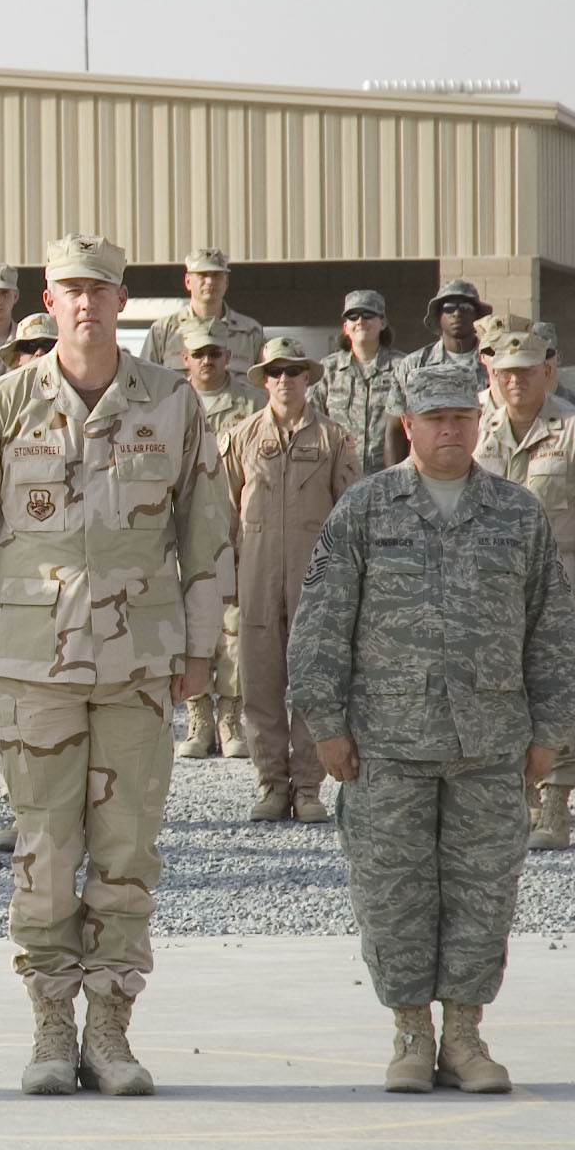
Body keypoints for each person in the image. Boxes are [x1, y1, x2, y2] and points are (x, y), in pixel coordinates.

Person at [0, 235, 230, 1098]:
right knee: (44, 847)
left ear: (121, 298)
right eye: (70, 290)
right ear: (50, 302)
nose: (87, 303)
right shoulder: (3, 406)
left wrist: (200, 647)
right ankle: (52, 1028)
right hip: (34, 668)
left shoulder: (172, 404)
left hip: (139, 665)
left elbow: (207, 538)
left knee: (128, 849)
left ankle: (111, 1029)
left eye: (100, 289)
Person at [285, 367, 575, 1094]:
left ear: (477, 422)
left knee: (483, 896)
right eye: (435, 418)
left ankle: (465, 1035)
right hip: (387, 745)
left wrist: (551, 733)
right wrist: (325, 726)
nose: (450, 429)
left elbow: (553, 630)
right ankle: (411, 1036)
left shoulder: (518, 515)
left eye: (461, 416)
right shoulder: (362, 510)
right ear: (408, 426)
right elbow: (320, 620)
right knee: (394, 895)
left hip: (490, 745)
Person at [471, 329, 575, 851]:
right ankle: (516, 801)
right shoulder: (474, 429)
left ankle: (555, 803)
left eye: (526, 370)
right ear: (493, 374)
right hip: (488, 590)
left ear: (546, 372)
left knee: (556, 694)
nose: (516, 380)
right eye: (506, 371)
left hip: (559, 587)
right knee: (495, 693)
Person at [223, 338, 362, 821]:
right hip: (256, 578)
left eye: (294, 372)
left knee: (311, 683)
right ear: (264, 380)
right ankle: (271, 787)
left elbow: (349, 516)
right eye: (276, 372)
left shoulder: (333, 438)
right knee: (259, 685)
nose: (285, 380)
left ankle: (307, 787)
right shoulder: (239, 437)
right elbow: (222, 512)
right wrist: (222, 581)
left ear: (308, 379)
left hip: (314, 580)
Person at [175, 320, 266, 760]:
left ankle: (230, 717)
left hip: (233, 527)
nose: (207, 361)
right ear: (184, 360)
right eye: (199, 354)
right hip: (180, 525)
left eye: (215, 353)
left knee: (232, 626)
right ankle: (199, 716)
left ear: (228, 357)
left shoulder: (251, 403)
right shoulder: (167, 401)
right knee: (187, 622)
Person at [141, 247, 265, 373]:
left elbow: (265, 383)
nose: (210, 281)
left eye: (216, 275)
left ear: (226, 281)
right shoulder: (163, 331)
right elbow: (144, 380)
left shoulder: (250, 332)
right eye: (202, 275)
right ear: (188, 281)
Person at [318, 290, 400, 476]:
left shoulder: (402, 368)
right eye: (353, 317)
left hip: (387, 478)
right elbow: (310, 420)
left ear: (383, 323)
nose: (360, 321)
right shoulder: (327, 370)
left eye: (368, 315)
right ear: (345, 327)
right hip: (338, 478)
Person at [396, 279, 488, 412]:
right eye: (448, 308)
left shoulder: (494, 361)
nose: (457, 314)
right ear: (439, 316)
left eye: (466, 308)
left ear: (477, 316)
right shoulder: (414, 365)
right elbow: (395, 425)